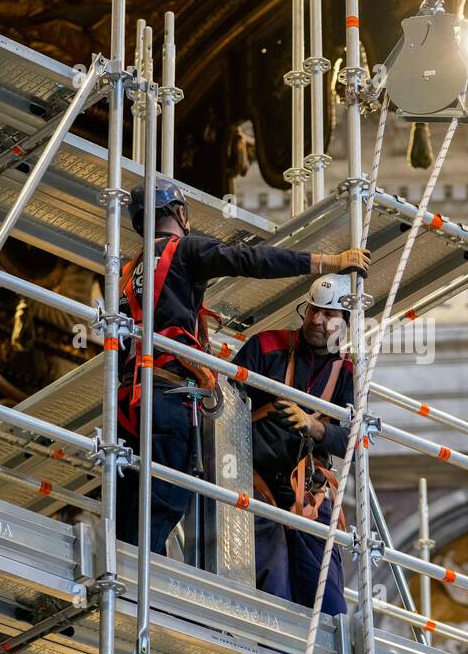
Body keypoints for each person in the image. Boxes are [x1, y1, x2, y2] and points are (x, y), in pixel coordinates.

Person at [116, 180, 369, 555]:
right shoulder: (185, 250)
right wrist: (328, 261)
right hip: (170, 394)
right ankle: (141, 582)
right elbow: (251, 260)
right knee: (166, 497)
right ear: (180, 214)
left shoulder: (130, 271)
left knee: (133, 497)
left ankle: (121, 568)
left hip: (132, 396)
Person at [232, 274, 355, 615]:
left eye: (328, 315)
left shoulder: (348, 374)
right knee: (273, 572)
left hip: (306, 489)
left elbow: (355, 443)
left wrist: (315, 427)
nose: (317, 320)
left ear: (346, 322)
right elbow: (224, 404)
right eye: (313, 310)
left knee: (325, 588)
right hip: (251, 477)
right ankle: (274, 643)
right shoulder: (266, 347)